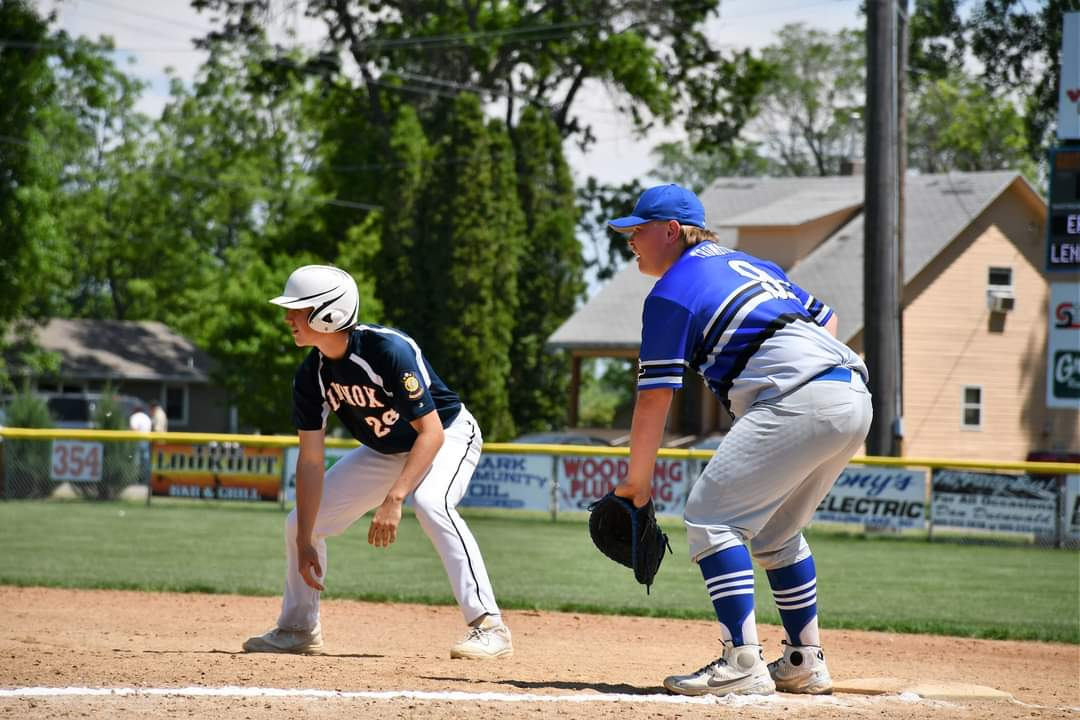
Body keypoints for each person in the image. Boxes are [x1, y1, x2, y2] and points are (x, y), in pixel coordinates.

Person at [607, 185, 873, 697]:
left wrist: (637, 483)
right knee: (776, 533)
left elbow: (653, 399)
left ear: (671, 232)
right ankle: (803, 660)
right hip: (851, 394)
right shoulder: (751, 265)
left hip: (798, 397)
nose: (631, 241)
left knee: (710, 518)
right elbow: (828, 319)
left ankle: (741, 662)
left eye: (638, 230)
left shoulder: (670, 293)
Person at [243, 264, 512, 659]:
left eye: (298, 309)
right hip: (386, 449)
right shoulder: (310, 376)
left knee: (430, 503)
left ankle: (489, 625)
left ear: (328, 313)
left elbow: (432, 433)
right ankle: (298, 628)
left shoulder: (387, 350)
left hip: (447, 435)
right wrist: (304, 540)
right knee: (299, 522)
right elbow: (311, 462)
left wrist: (396, 498)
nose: (288, 318)